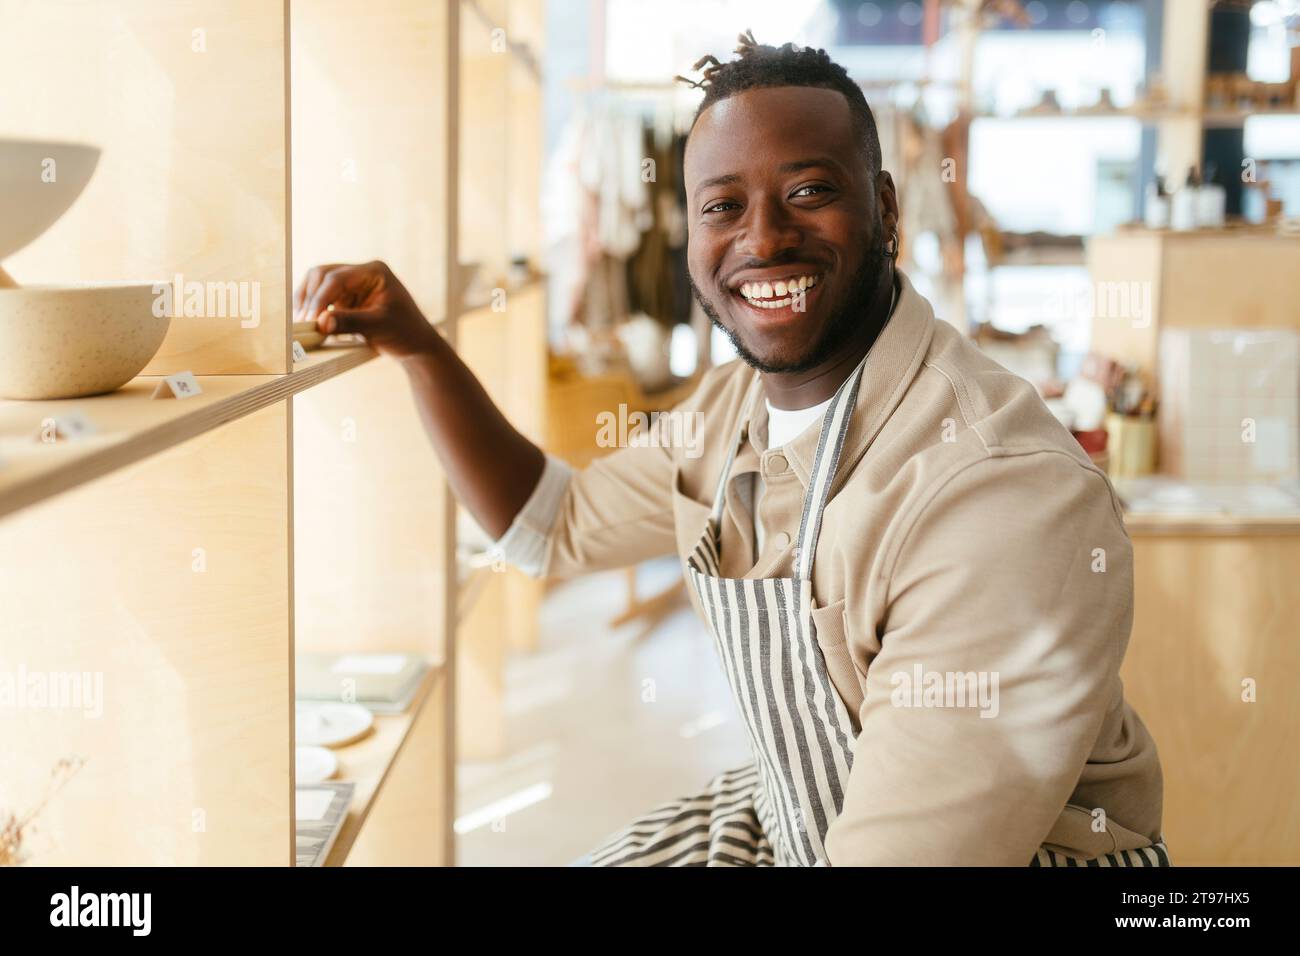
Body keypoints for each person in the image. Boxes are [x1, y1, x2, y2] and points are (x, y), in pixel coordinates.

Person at [293, 34, 1167, 867]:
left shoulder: (999, 498)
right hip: (801, 816)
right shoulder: (730, 409)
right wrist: (418, 345)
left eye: (809, 191)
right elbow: (550, 526)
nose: (762, 239)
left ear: (887, 209)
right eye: (723, 206)